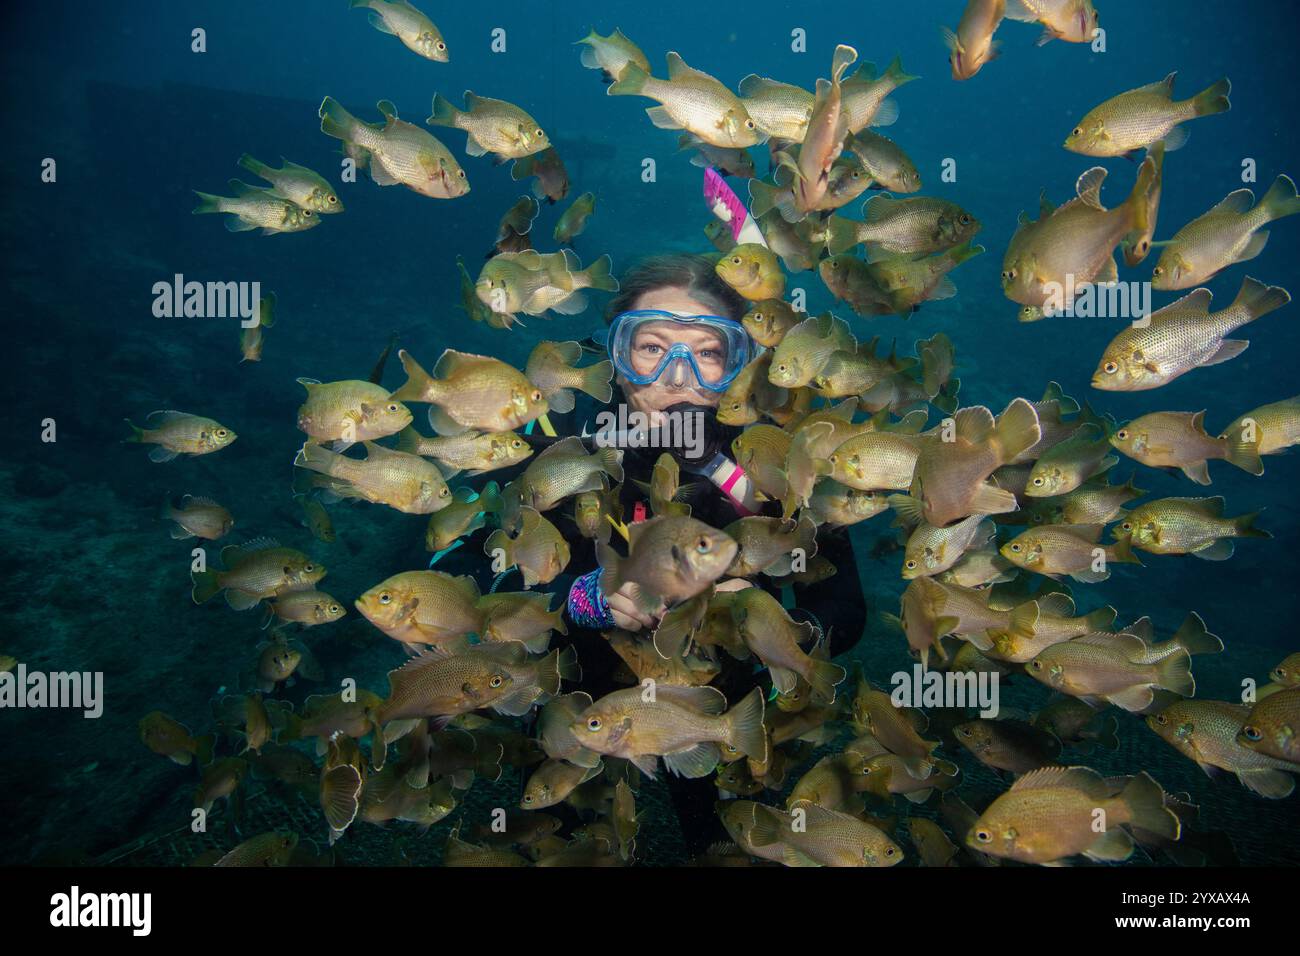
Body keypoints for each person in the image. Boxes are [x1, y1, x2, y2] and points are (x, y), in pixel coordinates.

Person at [551, 253, 869, 855]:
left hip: (724, 696)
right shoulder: (570, 454)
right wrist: (587, 598)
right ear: (614, 363)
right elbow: (481, 594)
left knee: (730, 840)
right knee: (557, 829)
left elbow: (844, 606)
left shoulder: (775, 466)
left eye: (708, 352)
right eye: (650, 348)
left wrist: (769, 632)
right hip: (581, 698)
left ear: (740, 368)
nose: (677, 376)